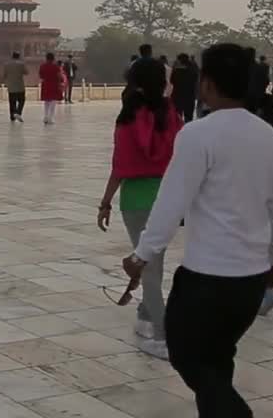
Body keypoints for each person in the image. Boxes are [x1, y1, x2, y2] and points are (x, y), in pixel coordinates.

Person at [122, 43, 273, 418]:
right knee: (218, 359)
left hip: (208, 278)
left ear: (208, 84)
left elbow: (172, 202)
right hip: (250, 279)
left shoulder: (199, 135)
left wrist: (142, 255)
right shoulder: (268, 136)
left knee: (187, 354)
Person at [98, 59, 182, 359]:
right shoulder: (170, 114)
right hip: (167, 198)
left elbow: (119, 165)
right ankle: (147, 317)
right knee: (154, 263)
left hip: (135, 199)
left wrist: (105, 202)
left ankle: (162, 337)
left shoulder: (128, 117)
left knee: (148, 269)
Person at [170, 54, 199, 123]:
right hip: (189, 97)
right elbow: (195, 81)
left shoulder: (176, 71)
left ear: (179, 60)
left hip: (177, 97)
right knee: (188, 119)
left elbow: (172, 81)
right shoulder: (193, 71)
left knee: (177, 118)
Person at [2, 52, 28, 122]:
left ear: (12, 56)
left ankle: (12, 116)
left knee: (12, 102)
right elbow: (26, 72)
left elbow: (4, 75)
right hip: (20, 86)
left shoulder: (6, 65)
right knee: (21, 100)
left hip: (11, 86)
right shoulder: (21, 64)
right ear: (19, 57)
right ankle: (18, 112)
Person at [39, 53, 64, 125]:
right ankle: (51, 118)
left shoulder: (42, 66)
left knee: (46, 101)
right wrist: (61, 81)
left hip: (46, 84)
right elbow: (59, 75)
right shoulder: (55, 66)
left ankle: (45, 117)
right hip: (54, 84)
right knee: (53, 101)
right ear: (53, 58)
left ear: (46, 58)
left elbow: (41, 75)